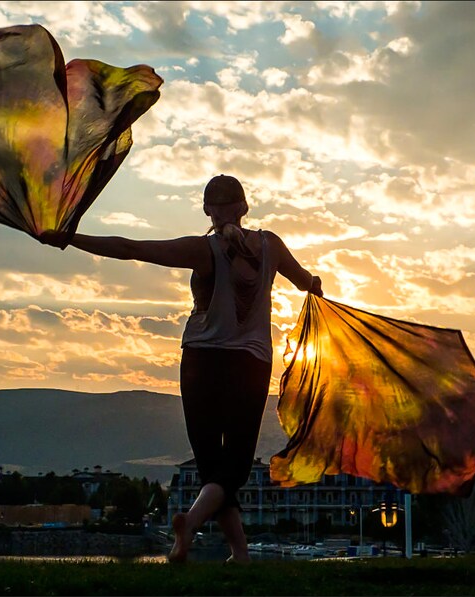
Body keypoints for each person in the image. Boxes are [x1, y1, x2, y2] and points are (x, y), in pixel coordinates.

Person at [40, 175, 322, 563]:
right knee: (233, 467)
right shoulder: (270, 245)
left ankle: (216, 542)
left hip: (200, 361)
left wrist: (70, 238)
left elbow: (131, 248)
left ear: (207, 210)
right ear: (244, 207)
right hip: (249, 363)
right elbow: (306, 282)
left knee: (212, 464)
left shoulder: (202, 250)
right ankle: (209, 536)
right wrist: (314, 283)